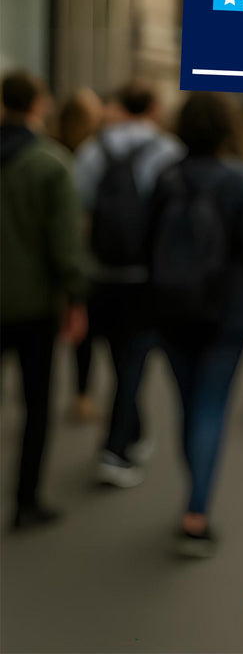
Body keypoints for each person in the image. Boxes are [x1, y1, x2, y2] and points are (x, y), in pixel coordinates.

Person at [147, 92, 243, 557]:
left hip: (171, 311)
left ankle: (194, 487)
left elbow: (145, 246)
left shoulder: (166, 176)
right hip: (227, 315)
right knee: (211, 407)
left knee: (187, 405)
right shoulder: (238, 181)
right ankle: (197, 512)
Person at [74, 80, 183, 487]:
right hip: (145, 276)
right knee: (133, 362)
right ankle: (116, 449)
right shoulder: (169, 151)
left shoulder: (93, 149)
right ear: (153, 107)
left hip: (101, 274)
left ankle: (130, 435)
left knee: (117, 359)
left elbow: (79, 204)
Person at [0, 70, 89, 529]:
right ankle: (25, 500)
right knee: (35, 405)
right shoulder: (50, 164)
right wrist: (76, 296)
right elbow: (65, 244)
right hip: (33, 303)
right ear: (38, 103)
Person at [57, 87, 105, 423]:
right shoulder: (95, 156)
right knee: (87, 326)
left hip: (68, 256)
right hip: (91, 255)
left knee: (78, 331)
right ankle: (85, 395)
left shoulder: (58, 151)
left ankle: (81, 393)